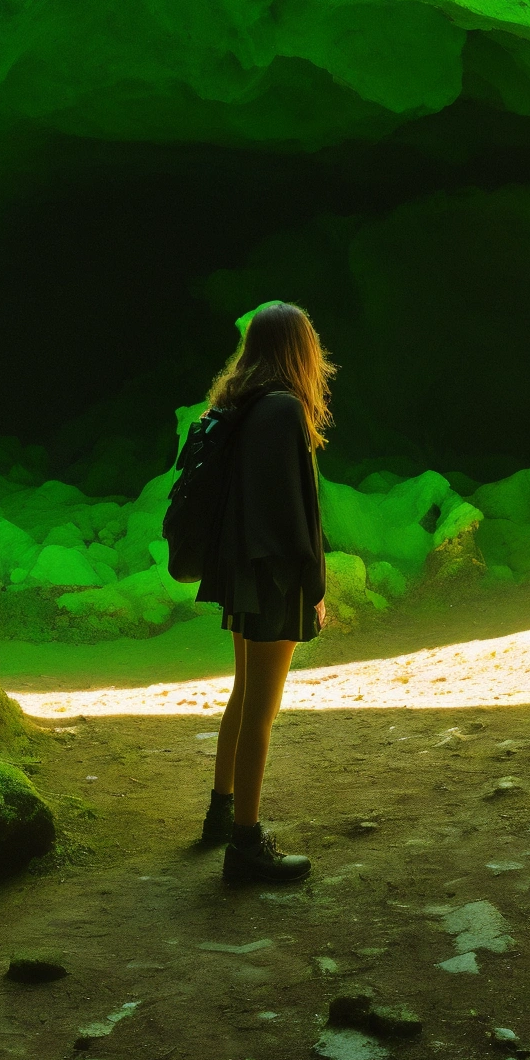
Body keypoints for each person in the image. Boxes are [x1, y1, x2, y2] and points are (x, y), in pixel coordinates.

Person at [193, 302, 332, 887]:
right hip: (275, 579)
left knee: (244, 694)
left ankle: (221, 813)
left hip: (243, 573)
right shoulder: (284, 410)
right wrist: (315, 589)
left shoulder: (241, 404)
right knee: (261, 711)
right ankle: (246, 845)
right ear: (301, 351)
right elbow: (294, 514)